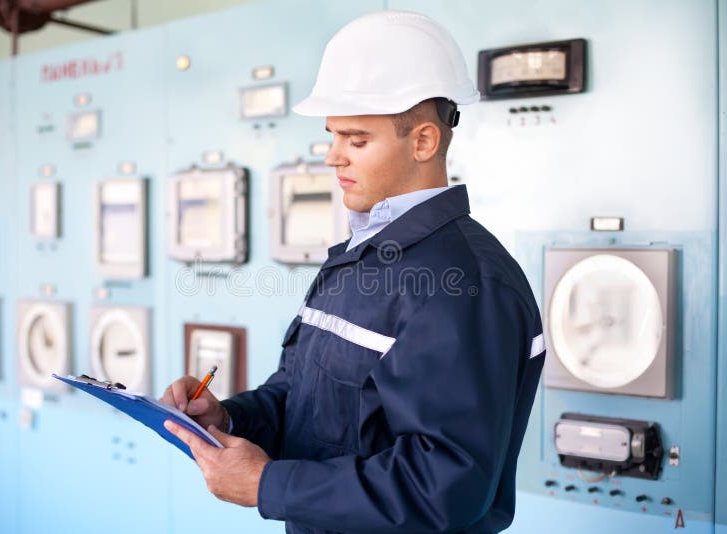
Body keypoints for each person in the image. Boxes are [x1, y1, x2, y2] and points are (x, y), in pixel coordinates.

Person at [161, 10, 545, 533]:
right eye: (333, 136)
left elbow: (447, 484)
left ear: (424, 142)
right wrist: (226, 419)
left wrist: (268, 485)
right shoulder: (358, 256)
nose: (332, 157)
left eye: (356, 140)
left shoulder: (465, 284)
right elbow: (302, 401)